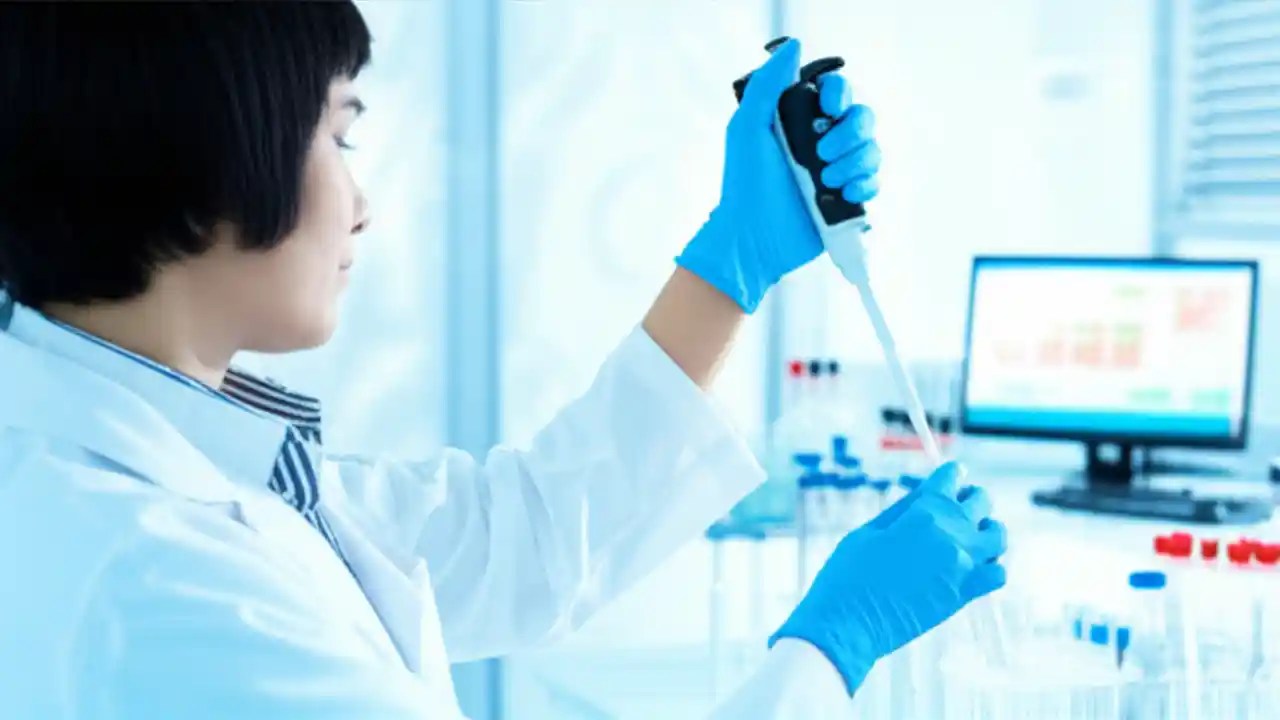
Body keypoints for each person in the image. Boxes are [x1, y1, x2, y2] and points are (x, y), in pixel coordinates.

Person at [0, 4, 1007, 718]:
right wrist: (828, 654)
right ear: (206, 153)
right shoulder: (158, 587)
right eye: (339, 134)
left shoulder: (157, 468)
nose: (361, 202)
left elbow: (515, 533)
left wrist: (731, 260)